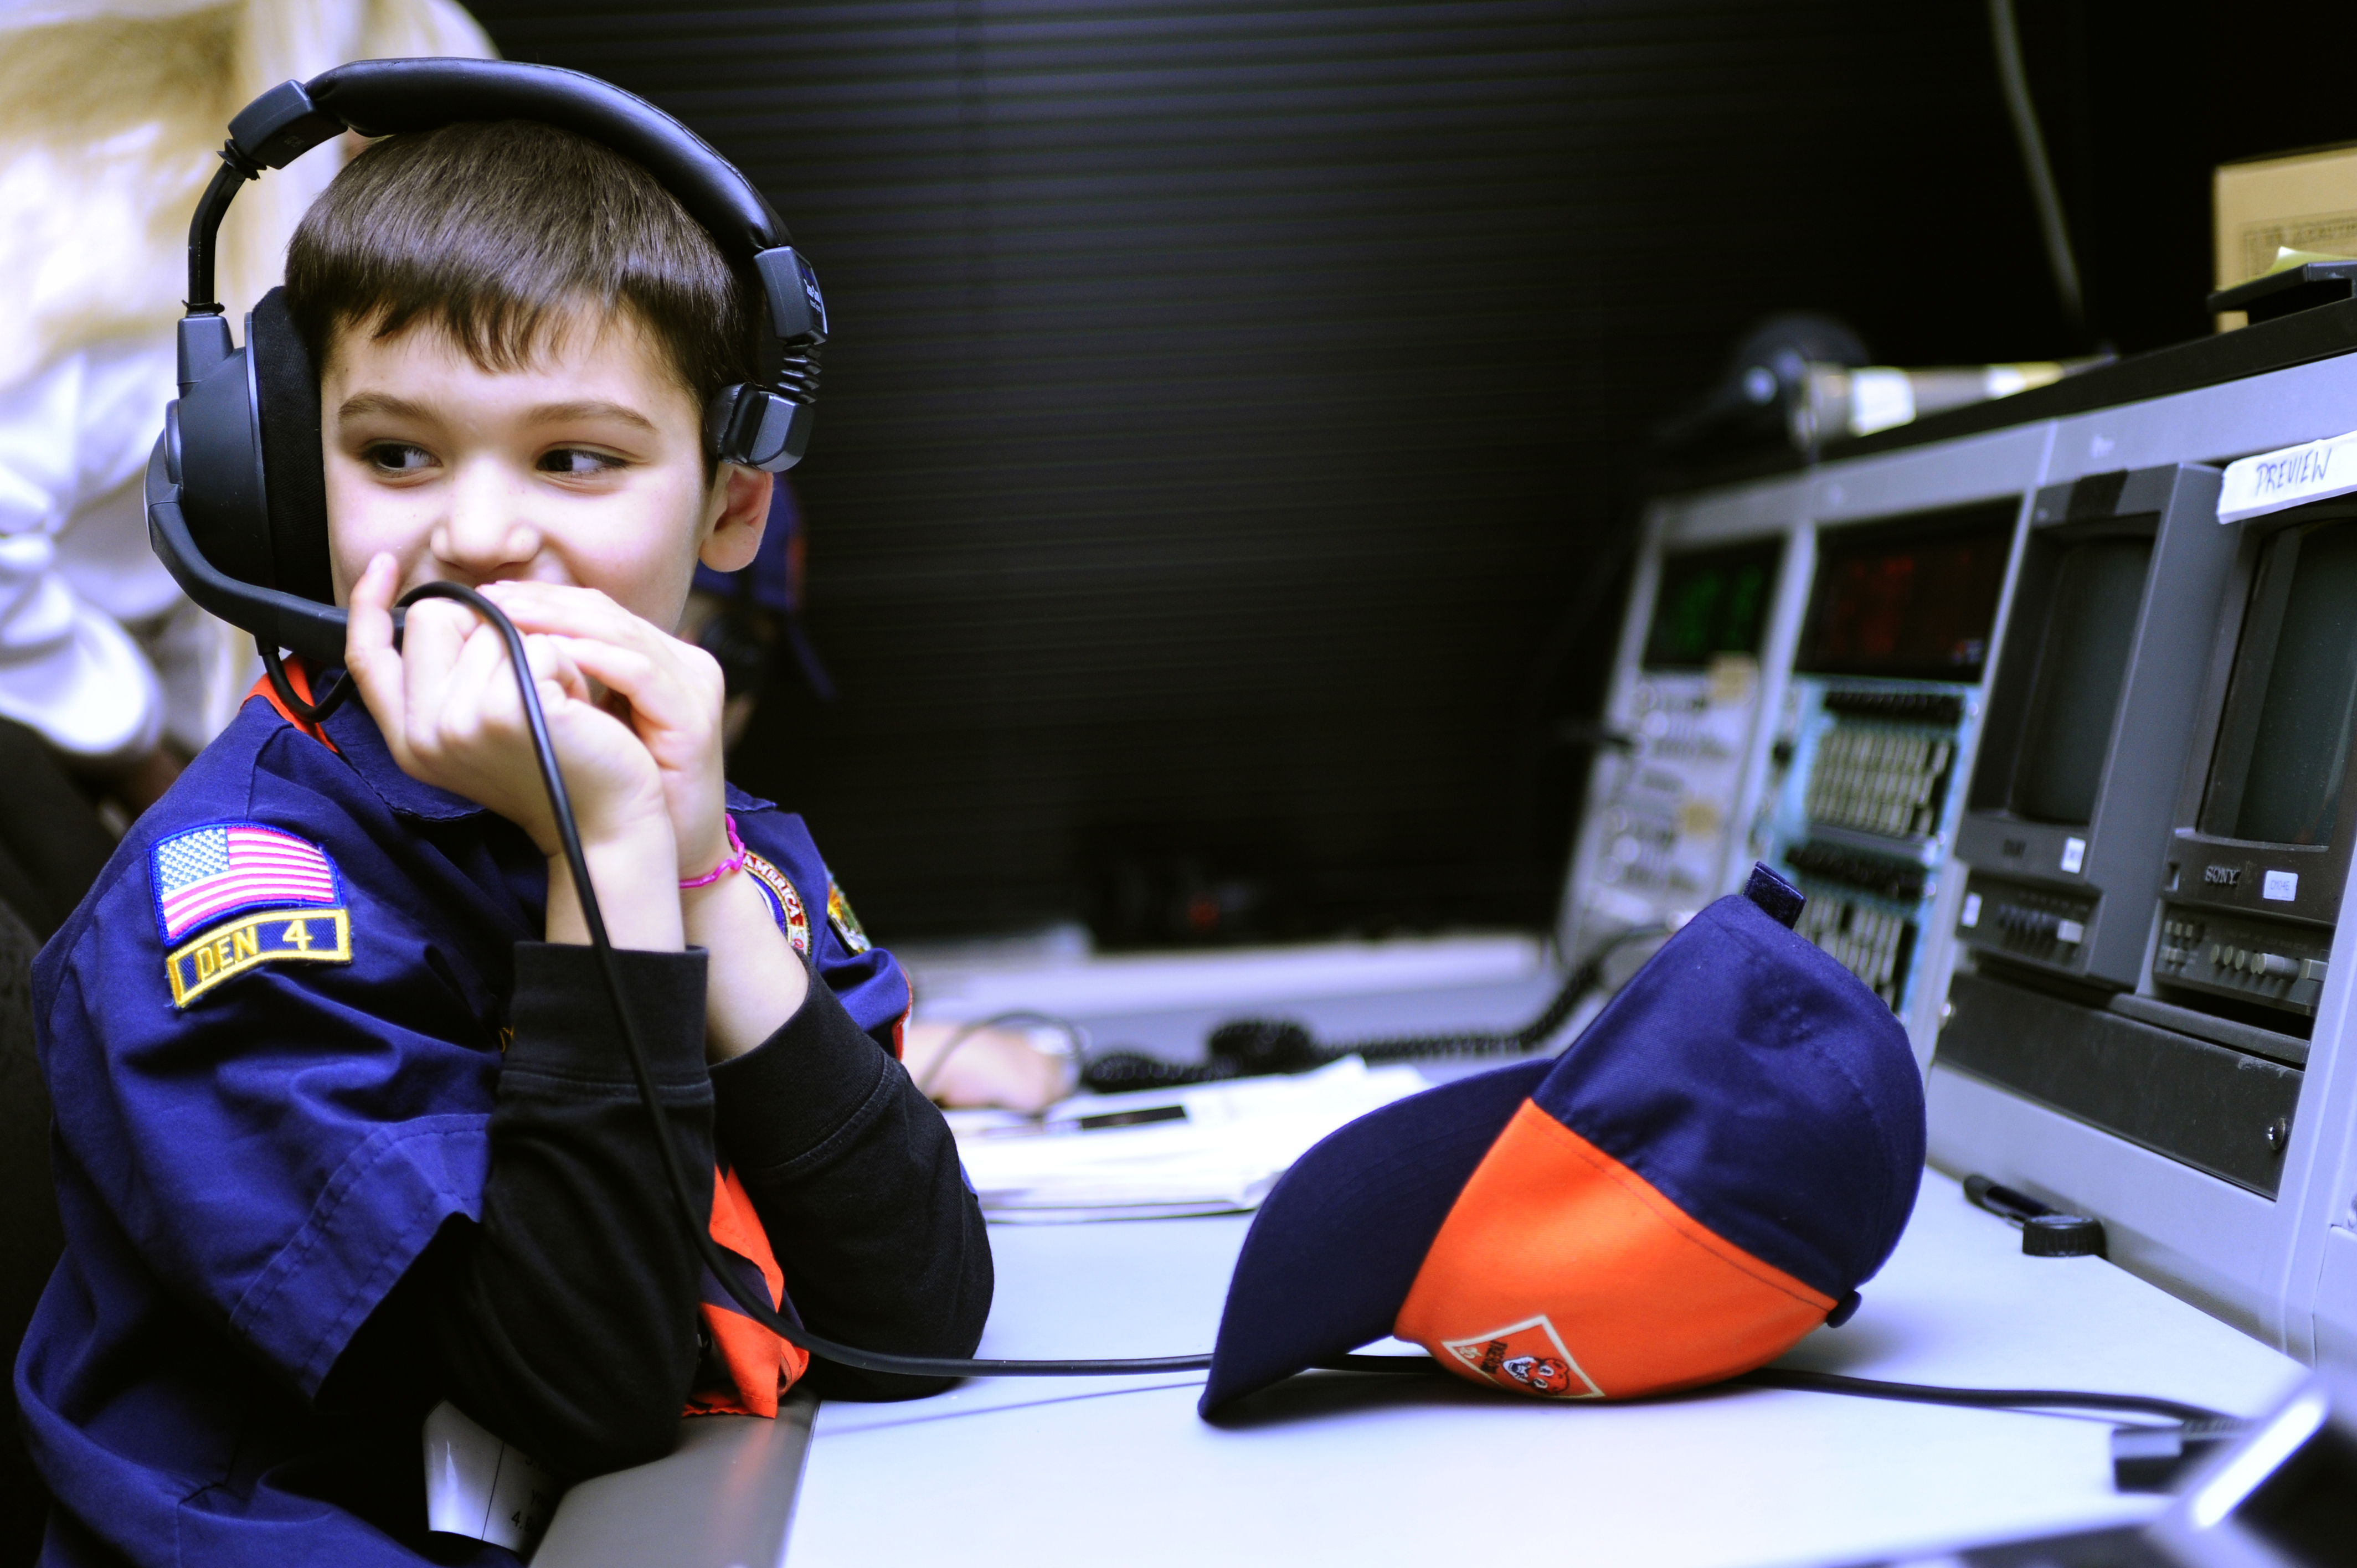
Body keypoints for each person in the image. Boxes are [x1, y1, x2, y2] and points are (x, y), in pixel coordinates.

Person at [14, 115, 991, 1567]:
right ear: (287, 483)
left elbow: (916, 1314)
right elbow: (585, 1393)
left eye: (577, 460)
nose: (478, 533)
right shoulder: (231, 902)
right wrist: (601, 859)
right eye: (396, 452)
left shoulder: (697, 820)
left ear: (730, 505)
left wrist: (697, 869)